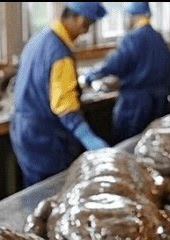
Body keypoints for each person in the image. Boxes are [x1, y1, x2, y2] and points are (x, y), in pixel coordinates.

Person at [11, 2, 110, 187]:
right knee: (51, 191)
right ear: (78, 18)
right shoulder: (60, 53)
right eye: (86, 25)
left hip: (24, 130)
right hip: (45, 137)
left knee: (34, 189)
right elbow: (64, 106)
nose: (84, 32)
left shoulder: (40, 38)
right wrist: (86, 136)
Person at [83, 2, 170, 143]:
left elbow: (114, 64)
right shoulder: (159, 39)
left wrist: (90, 75)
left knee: (127, 147)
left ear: (131, 16)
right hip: (159, 104)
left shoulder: (132, 39)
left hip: (135, 106)